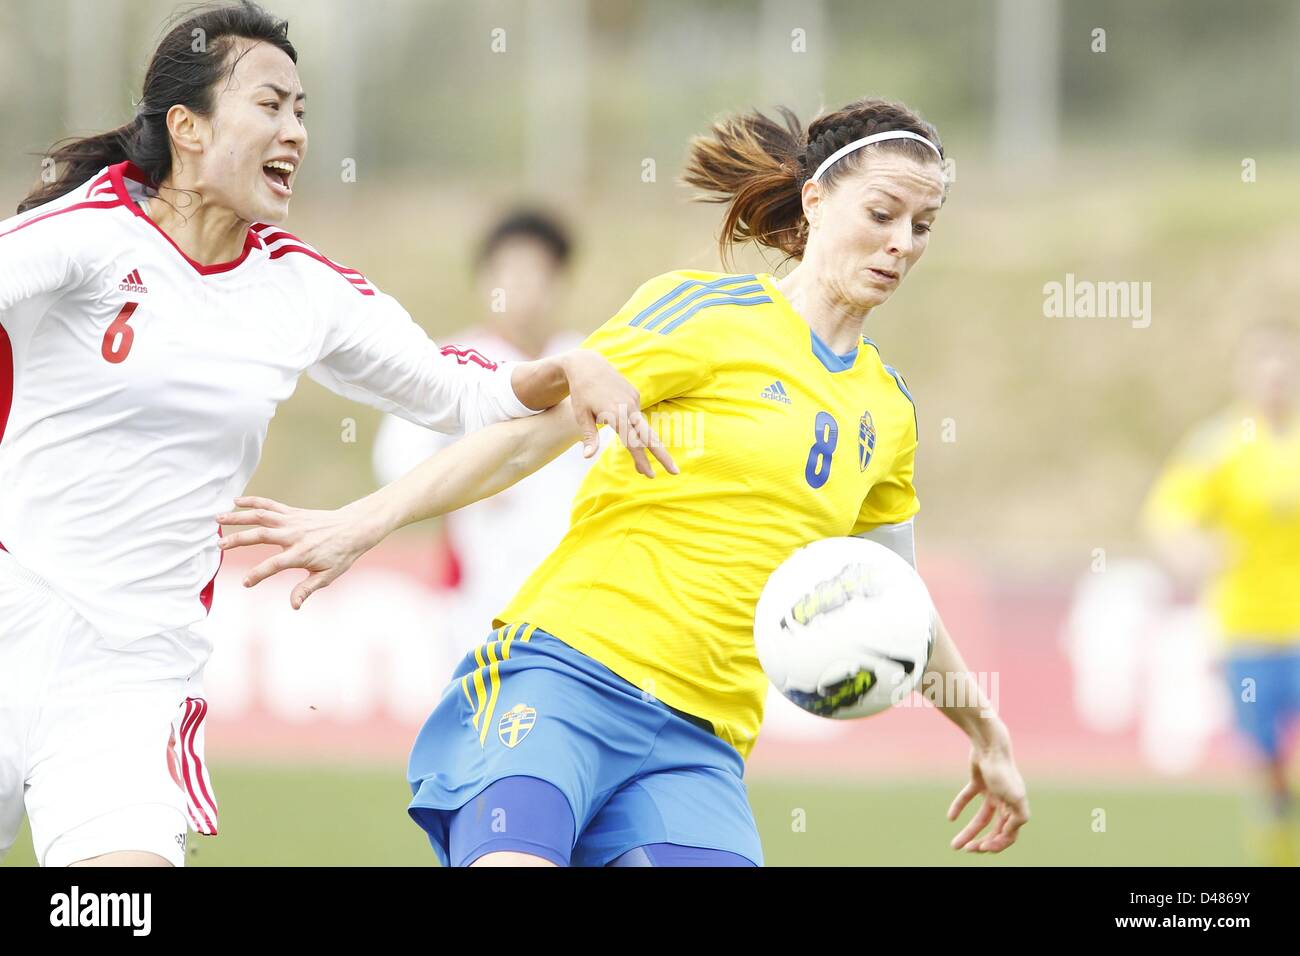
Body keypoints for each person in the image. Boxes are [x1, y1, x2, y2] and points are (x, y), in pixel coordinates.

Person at [221, 97, 1031, 867]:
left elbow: (899, 601)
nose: (904, 242)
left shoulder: (887, 413)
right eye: (882, 214)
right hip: (568, 676)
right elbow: (523, 439)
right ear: (815, 202)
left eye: (923, 225)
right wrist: (363, 522)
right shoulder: (707, 317)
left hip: (698, 746)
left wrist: (986, 734)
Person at [0, 1, 665, 869]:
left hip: (128, 680)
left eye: (303, 111)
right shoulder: (86, 236)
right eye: (270, 105)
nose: (296, 132)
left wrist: (570, 372)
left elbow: (461, 392)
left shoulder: (300, 290)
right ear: (187, 127)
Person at [372, 210, 599, 659]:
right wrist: (472, 480)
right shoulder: (449, 365)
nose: (522, 289)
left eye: (537, 273)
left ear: (559, 281)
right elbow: (395, 459)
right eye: (509, 273)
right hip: (480, 595)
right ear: (485, 281)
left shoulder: (591, 361)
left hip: (579, 595)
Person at [1143, 319, 1300, 866]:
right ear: (1247, 376)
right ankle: (1278, 852)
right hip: (1247, 633)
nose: (1276, 380)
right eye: (1266, 368)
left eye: (1286, 368)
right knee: (1267, 764)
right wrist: (1191, 550)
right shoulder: (1220, 445)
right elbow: (1167, 513)